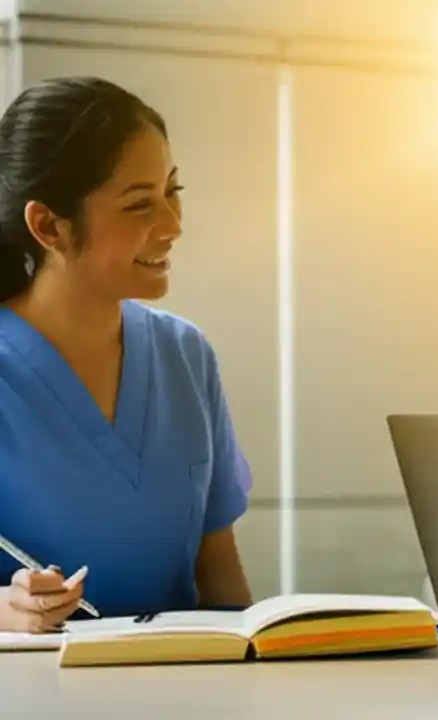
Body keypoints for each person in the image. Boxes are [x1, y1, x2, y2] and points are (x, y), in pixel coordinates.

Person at [0, 77, 253, 632]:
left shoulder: (186, 355)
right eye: (140, 204)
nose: (173, 226)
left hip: (185, 693)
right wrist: (7, 611)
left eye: (173, 192)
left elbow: (220, 574)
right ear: (48, 226)